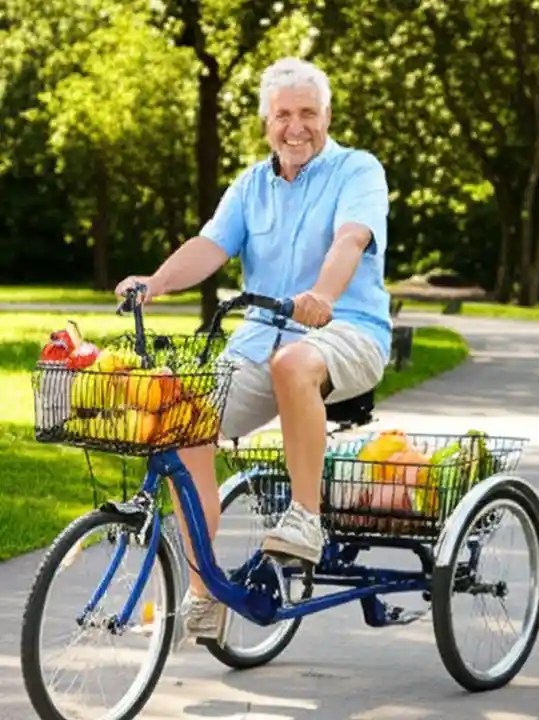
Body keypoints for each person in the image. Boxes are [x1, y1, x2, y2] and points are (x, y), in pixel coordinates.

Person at [114, 57, 393, 641]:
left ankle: (306, 520)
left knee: (294, 361)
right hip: (257, 343)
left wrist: (321, 293)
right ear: (267, 122)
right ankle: (203, 591)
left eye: (308, 114)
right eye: (283, 115)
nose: (296, 127)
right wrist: (154, 283)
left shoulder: (357, 170)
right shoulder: (251, 185)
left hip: (348, 332)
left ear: (328, 116)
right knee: (182, 419)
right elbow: (209, 245)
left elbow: (351, 239)